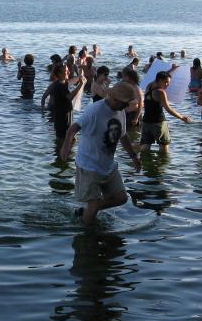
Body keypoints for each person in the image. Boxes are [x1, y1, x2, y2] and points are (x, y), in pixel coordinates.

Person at [59, 82, 141, 227]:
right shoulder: (95, 111)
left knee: (121, 198)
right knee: (94, 203)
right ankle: (86, 237)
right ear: (116, 99)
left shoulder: (120, 111)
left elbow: (123, 135)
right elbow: (73, 128)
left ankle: (86, 212)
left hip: (107, 164)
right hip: (89, 165)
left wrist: (133, 156)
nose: (127, 106)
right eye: (126, 103)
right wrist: (66, 147)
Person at [140, 71, 193, 154]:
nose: (167, 85)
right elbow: (168, 109)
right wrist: (182, 117)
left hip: (146, 121)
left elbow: (158, 77)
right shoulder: (161, 92)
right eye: (166, 82)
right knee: (164, 146)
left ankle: (145, 164)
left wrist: (172, 70)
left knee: (145, 146)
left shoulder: (149, 86)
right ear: (160, 80)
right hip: (158, 122)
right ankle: (162, 165)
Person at [42, 65, 83, 141]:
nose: (69, 72)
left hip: (63, 118)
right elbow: (70, 97)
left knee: (66, 140)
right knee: (64, 141)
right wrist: (80, 85)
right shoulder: (60, 85)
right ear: (60, 74)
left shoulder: (61, 83)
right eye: (66, 71)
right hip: (62, 120)